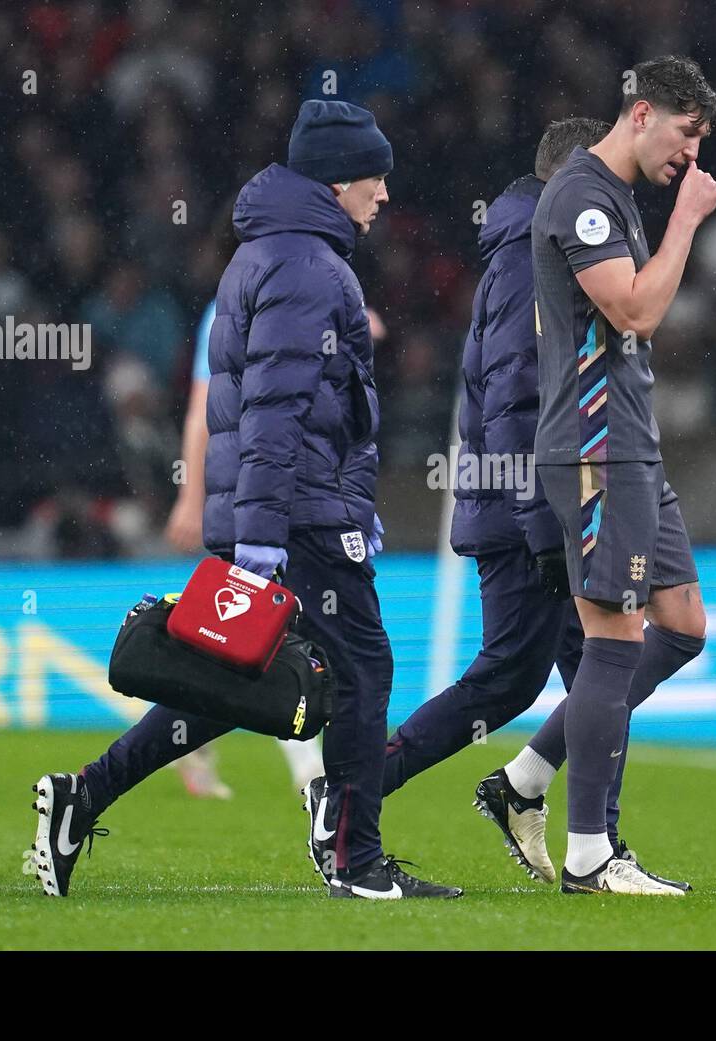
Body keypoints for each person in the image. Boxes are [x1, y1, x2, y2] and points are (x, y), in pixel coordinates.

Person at [30, 99, 461, 900]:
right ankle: (356, 860)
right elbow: (273, 413)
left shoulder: (267, 252)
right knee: (363, 670)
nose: (385, 194)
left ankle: (83, 795)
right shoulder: (308, 267)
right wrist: (266, 541)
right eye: (375, 177)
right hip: (297, 515)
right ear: (337, 181)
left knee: (234, 683)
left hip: (279, 509)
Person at [356, 119, 607, 886]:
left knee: (599, 665)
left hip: (539, 502)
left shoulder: (535, 247)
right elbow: (512, 399)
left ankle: (594, 843)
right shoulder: (533, 256)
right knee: (515, 677)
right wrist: (541, 521)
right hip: (528, 509)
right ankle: (355, 792)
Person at [511, 55, 716, 895]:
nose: (691, 156)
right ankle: (590, 855)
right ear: (641, 113)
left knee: (683, 624)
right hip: (597, 448)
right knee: (613, 638)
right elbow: (635, 308)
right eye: (686, 134)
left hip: (632, 444)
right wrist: (688, 222)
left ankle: (526, 777)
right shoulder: (581, 196)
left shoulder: (617, 197)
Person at [163, 279, 324, 800]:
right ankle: (308, 767)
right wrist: (190, 496)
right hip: (249, 491)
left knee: (250, 628)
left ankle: (181, 724)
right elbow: (202, 409)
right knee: (267, 621)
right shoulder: (227, 311)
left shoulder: (307, 289)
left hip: (291, 486)